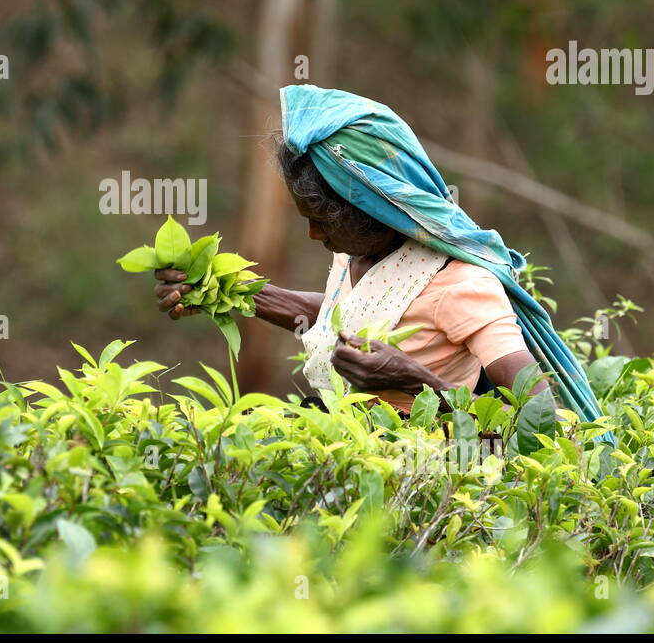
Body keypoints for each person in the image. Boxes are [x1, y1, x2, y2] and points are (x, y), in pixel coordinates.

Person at [153, 83, 603, 425]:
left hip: (428, 488)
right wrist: (228, 290)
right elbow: (345, 313)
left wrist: (413, 380)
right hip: (344, 457)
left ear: (375, 210)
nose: (313, 234)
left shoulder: (461, 283)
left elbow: (538, 410)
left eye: (325, 221)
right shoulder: (354, 255)